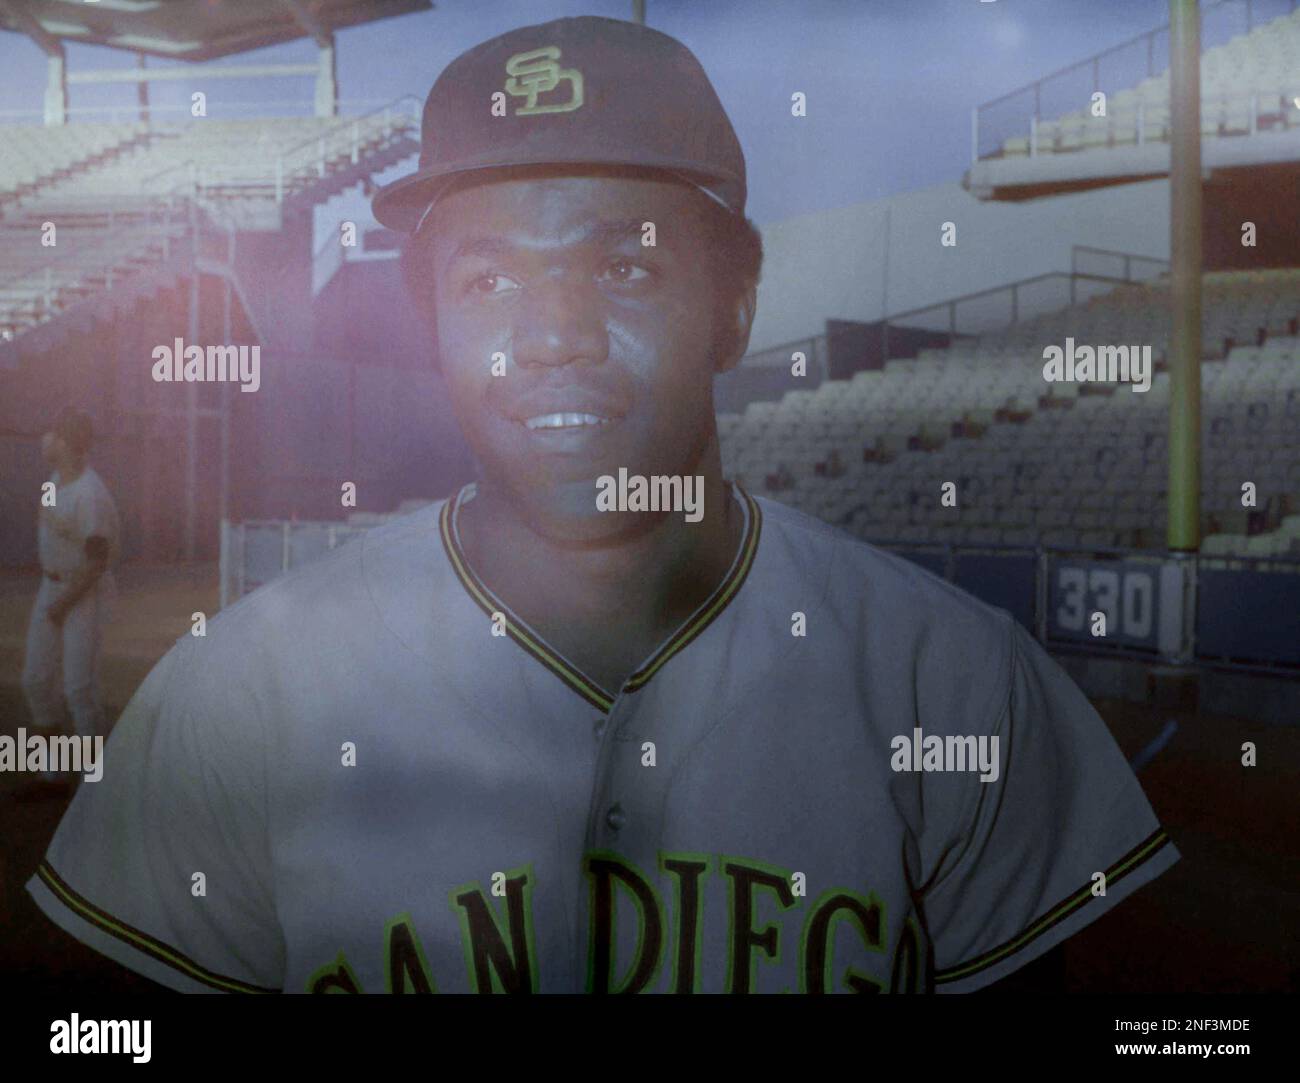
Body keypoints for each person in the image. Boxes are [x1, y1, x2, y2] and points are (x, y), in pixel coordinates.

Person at [29, 16, 1176, 994]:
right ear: (431, 321)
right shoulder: (240, 694)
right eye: (488, 280)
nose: (552, 337)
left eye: (622, 266)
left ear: (734, 305)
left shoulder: (951, 676)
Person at [21, 406, 120, 779]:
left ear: (65, 443)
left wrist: (63, 603)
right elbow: (52, 524)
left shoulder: (89, 494)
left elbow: (95, 564)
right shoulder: (53, 480)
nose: (46, 439)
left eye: (53, 433)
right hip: (53, 586)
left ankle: (94, 781)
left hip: (83, 592)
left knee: (79, 688)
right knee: (35, 680)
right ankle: (53, 775)